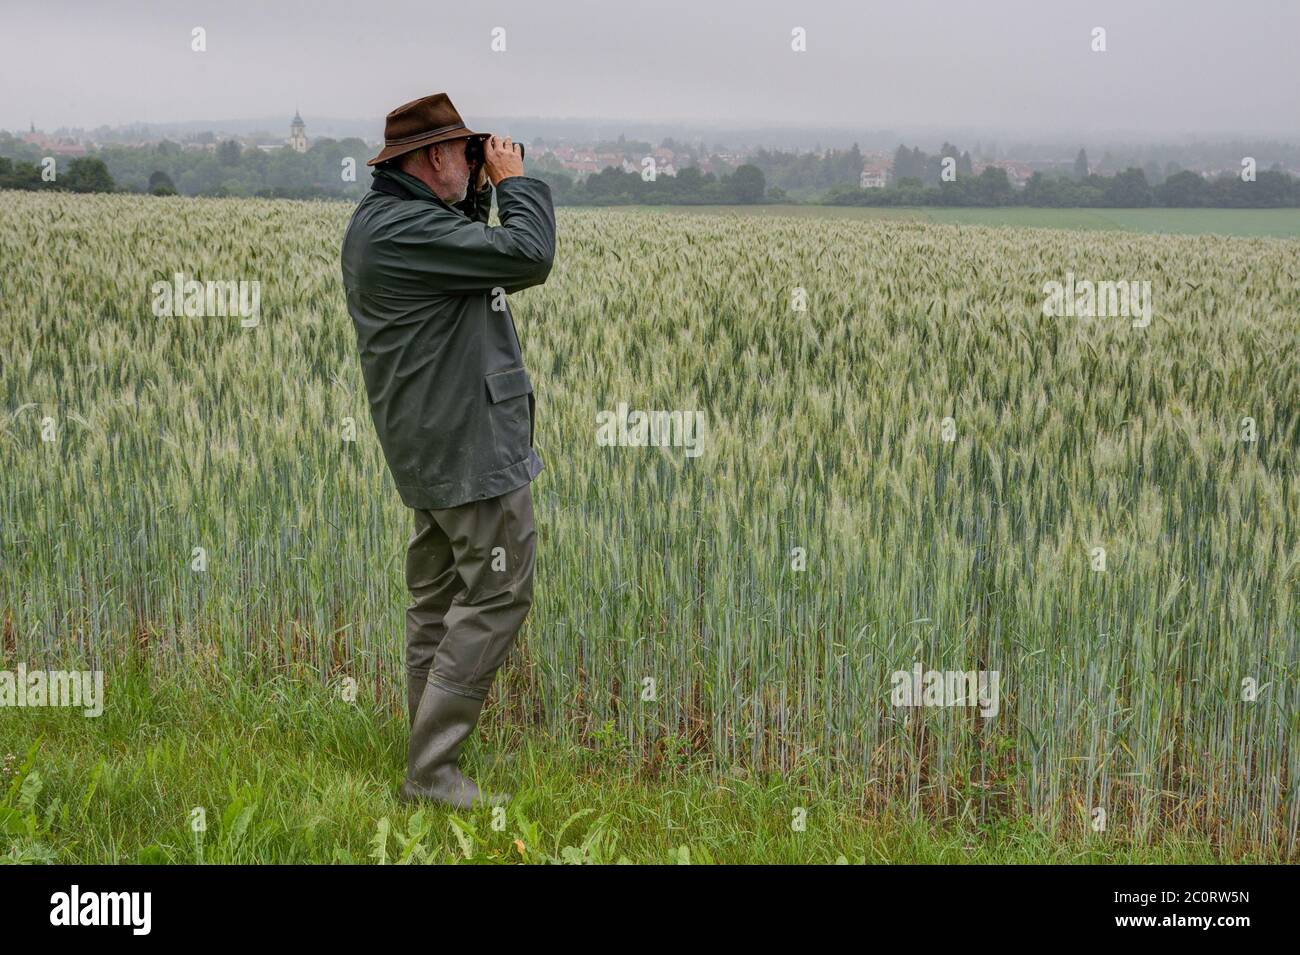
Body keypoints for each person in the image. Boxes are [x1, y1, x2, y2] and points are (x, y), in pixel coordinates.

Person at [340, 93, 556, 808]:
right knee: (497, 592)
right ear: (433, 157)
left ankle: (426, 755)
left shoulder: (388, 221)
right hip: (468, 448)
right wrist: (516, 186)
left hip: (429, 449)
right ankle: (433, 771)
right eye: (466, 151)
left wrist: (479, 190)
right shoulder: (406, 230)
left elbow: (463, 253)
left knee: (436, 604)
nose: (477, 160)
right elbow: (527, 254)